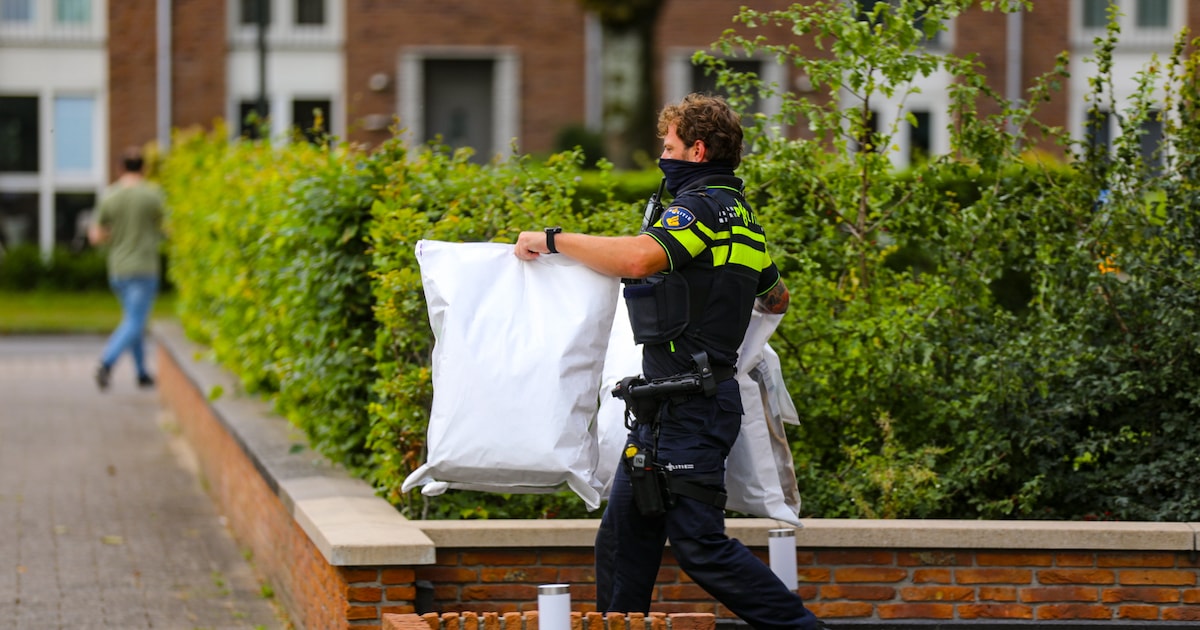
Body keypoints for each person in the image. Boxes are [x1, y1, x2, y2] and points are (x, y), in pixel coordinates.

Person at [515, 94, 823, 629]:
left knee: (700, 545)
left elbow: (640, 257)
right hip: (668, 408)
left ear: (697, 150)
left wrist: (552, 240)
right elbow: (776, 299)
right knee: (621, 545)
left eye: (669, 146)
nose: (664, 155)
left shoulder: (700, 206)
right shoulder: (743, 217)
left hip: (690, 411)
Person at [89, 146, 165, 391]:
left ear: (120, 168)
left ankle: (142, 374)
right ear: (144, 167)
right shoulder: (153, 196)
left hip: (119, 269)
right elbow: (169, 228)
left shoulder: (110, 196)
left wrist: (116, 235)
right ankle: (106, 363)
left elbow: (96, 236)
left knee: (133, 321)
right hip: (144, 268)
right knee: (135, 322)